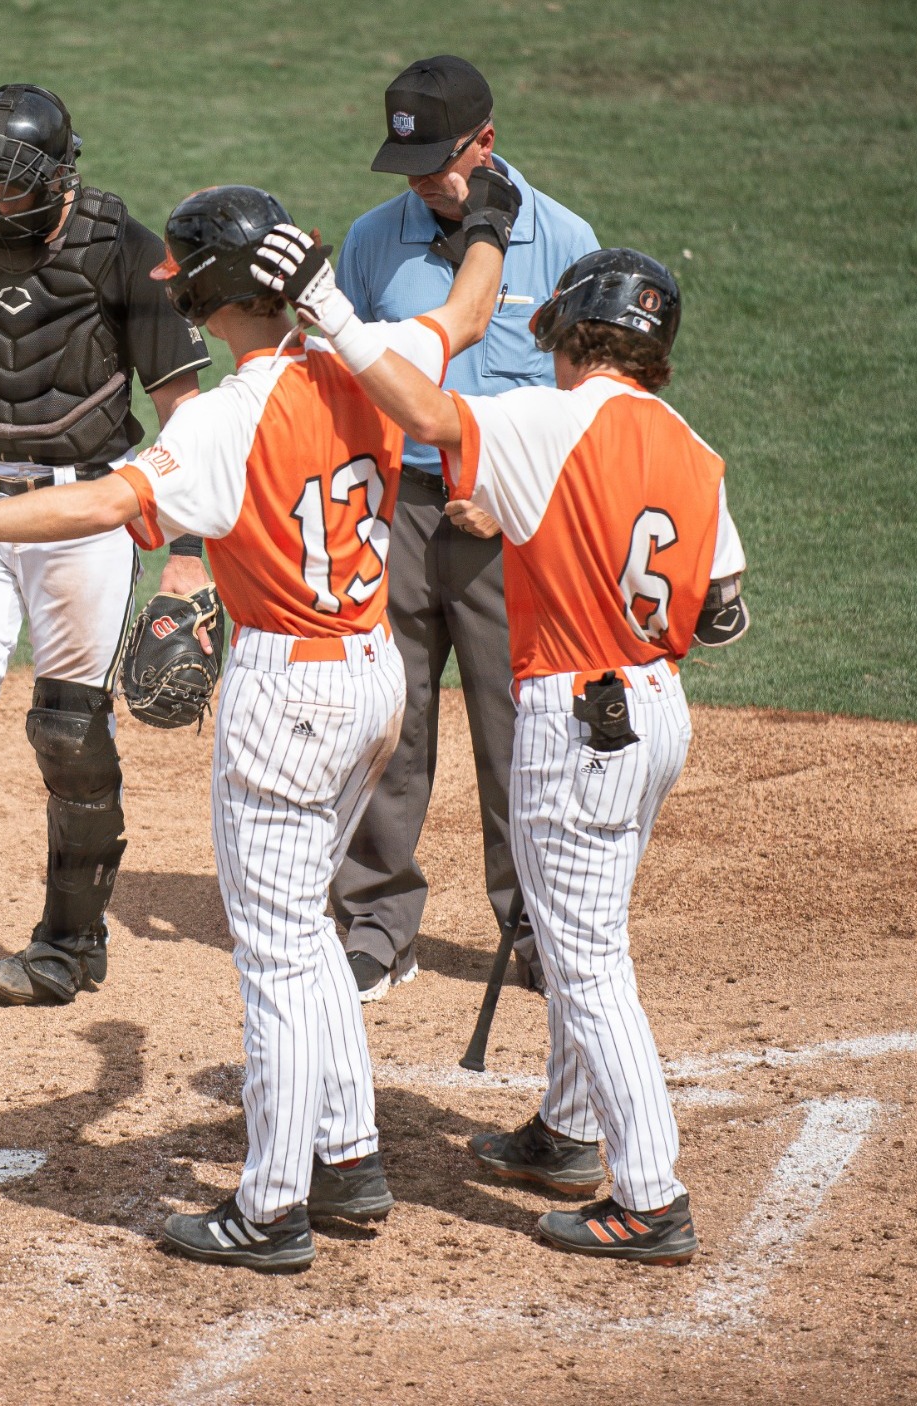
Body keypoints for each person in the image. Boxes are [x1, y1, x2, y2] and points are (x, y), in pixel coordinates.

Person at [0, 180, 512, 1270]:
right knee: (307, 929)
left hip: (288, 690)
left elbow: (106, 502)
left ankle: (271, 1206)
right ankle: (347, 1155)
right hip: (375, 676)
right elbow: (470, 311)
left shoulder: (222, 418)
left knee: (275, 954)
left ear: (209, 292)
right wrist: (486, 219)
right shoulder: (375, 358)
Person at [284, 238, 752, 1264]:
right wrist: (560, 530)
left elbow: (423, 414)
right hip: (656, 711)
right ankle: (567, 1132)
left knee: (585, 961)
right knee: (587, 928)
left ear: (569, 329)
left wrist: (333, 314)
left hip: (576, 717)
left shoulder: (548, 419)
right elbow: (721, 609)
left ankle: (652, 1198)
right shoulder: (693, 444)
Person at [0, 85, 215, 1029]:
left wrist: (188, 548)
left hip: (88, 507)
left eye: (13, 186)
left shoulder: (124, 246)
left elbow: (187, 413)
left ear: (60, 176)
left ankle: (70, 942)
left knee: (70, 732)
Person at [331, 55, 601, 1003]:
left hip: (512, 523)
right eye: (405, 164)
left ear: (486, 142)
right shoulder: (373, 241)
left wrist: (511, 488)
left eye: (437, 162)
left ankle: (533, 927)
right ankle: (376, 924)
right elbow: (352, 383)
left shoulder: (564, 239)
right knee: (388, 720)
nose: (420, 182)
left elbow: (585, 402)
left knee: (518, 729)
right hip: (399, 510)